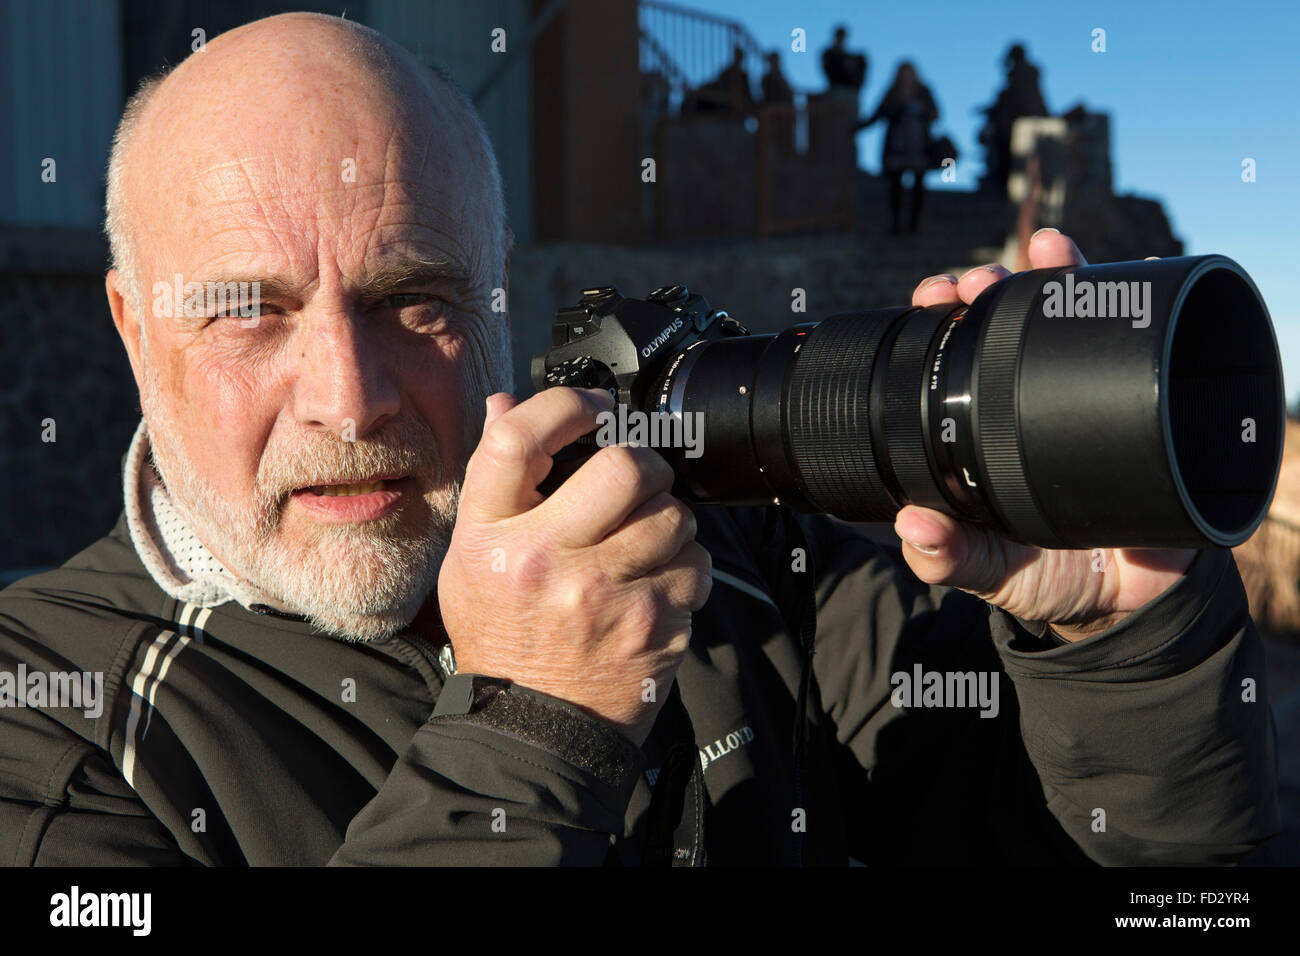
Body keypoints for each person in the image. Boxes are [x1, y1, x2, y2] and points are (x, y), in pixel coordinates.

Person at [0, 13, 1278, 866]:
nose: (351, 395)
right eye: (247, 310)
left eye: (416, 299)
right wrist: (534, 720)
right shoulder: (47, 718)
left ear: (498, 289)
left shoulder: (743, 568)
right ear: (130, 324)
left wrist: (1116, 647)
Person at [861, 61, 939, 234]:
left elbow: (936, 114)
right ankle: (896, 224)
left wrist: (921, 112)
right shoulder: (892, 93)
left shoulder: (923, 92)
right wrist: (855, 128)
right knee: (895, 186)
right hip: (896, 146)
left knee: (918, 187)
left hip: (919, 146)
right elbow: (877, 115)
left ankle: (914, 224)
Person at [979, 42, 1050, 196]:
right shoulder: (1025, 77)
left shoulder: (1020, 77)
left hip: (1015, 129)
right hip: (1018, 126)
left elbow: (1020, 105)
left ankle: (1006, 191)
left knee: (1013, 161)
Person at [821, 24, 867, 106]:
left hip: (851, 92)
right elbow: (831, 74)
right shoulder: (828, 55)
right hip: (836, 91)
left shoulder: (856, 58)